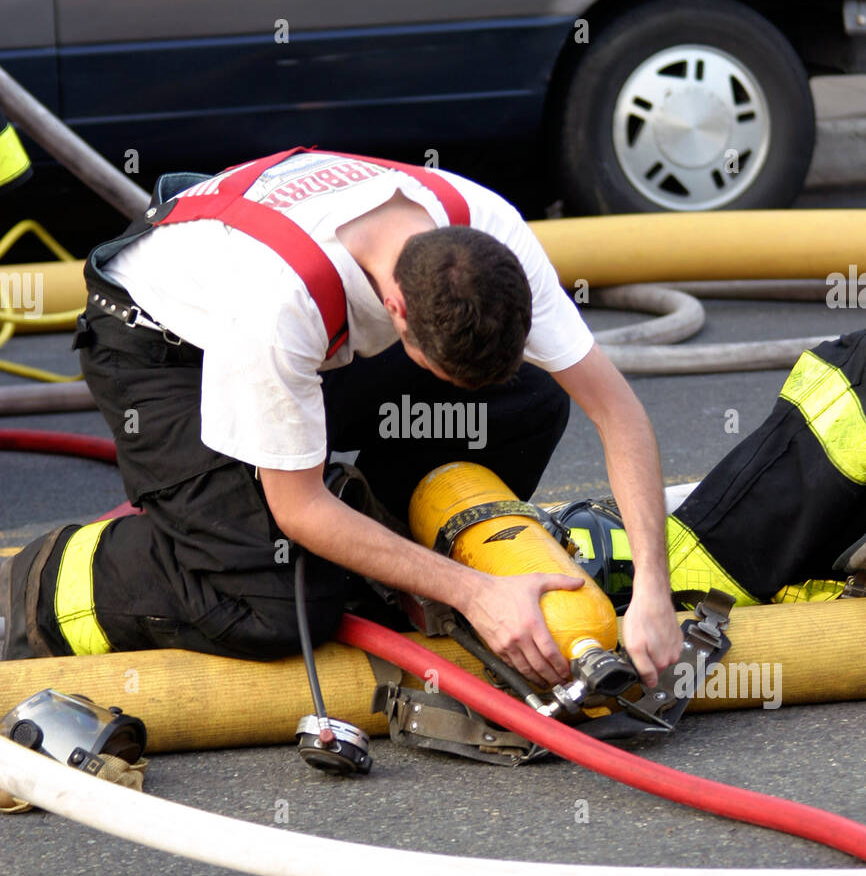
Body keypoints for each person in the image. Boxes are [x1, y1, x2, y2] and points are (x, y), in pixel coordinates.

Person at [0, 147, 682, 689]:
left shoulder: (487, 228)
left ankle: (389, 560)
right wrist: (476, 594)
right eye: (435, 367)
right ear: (399, 314)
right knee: (280, 603)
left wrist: (655, 586)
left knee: (528, 399)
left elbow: (616, 411)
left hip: (308, 333)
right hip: (167, 352)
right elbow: (298, 509)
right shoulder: (278, 301)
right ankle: (37, 580)